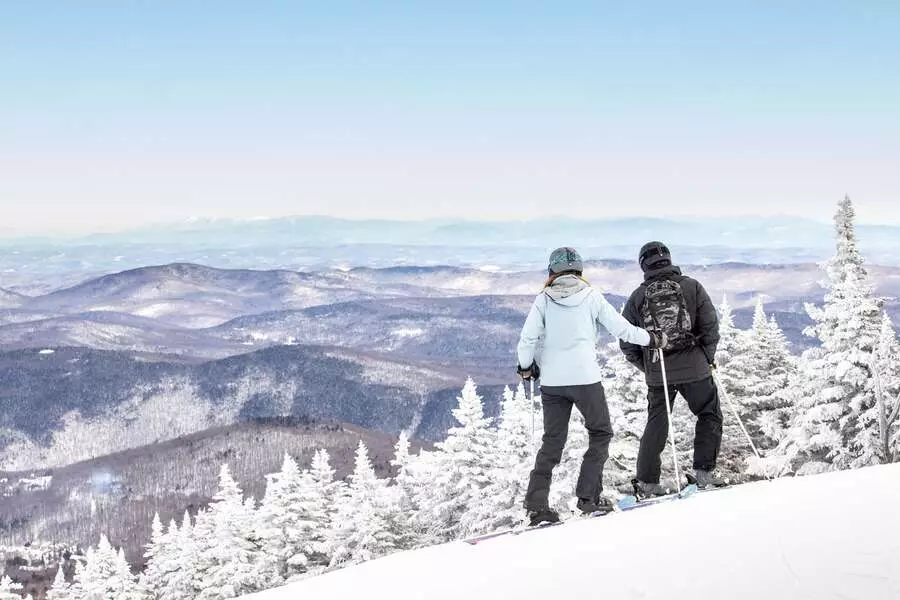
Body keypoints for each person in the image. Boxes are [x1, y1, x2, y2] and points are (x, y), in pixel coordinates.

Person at [517, 247, 664, 526]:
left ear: (552, 272)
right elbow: (622, 329)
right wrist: (652, 339)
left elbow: (527, 340)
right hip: (586, 379)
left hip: (552, 383)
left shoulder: (543, 301)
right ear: (579, 271)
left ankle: (536, 507)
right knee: (600, 433)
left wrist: (526, 368)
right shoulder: (591, 297)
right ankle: (588, 498)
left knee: (551, 444)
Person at [619, 241, 723, 496]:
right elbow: (710, 327)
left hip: (658, 371)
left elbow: (626, 341)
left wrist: (648, 368)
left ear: (643, 264)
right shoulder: (692, 286)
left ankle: (647, 483)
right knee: (709, 414)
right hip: (695, 367)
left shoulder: (638, 296)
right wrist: (706, 358)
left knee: (657, 423)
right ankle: (704, 474)